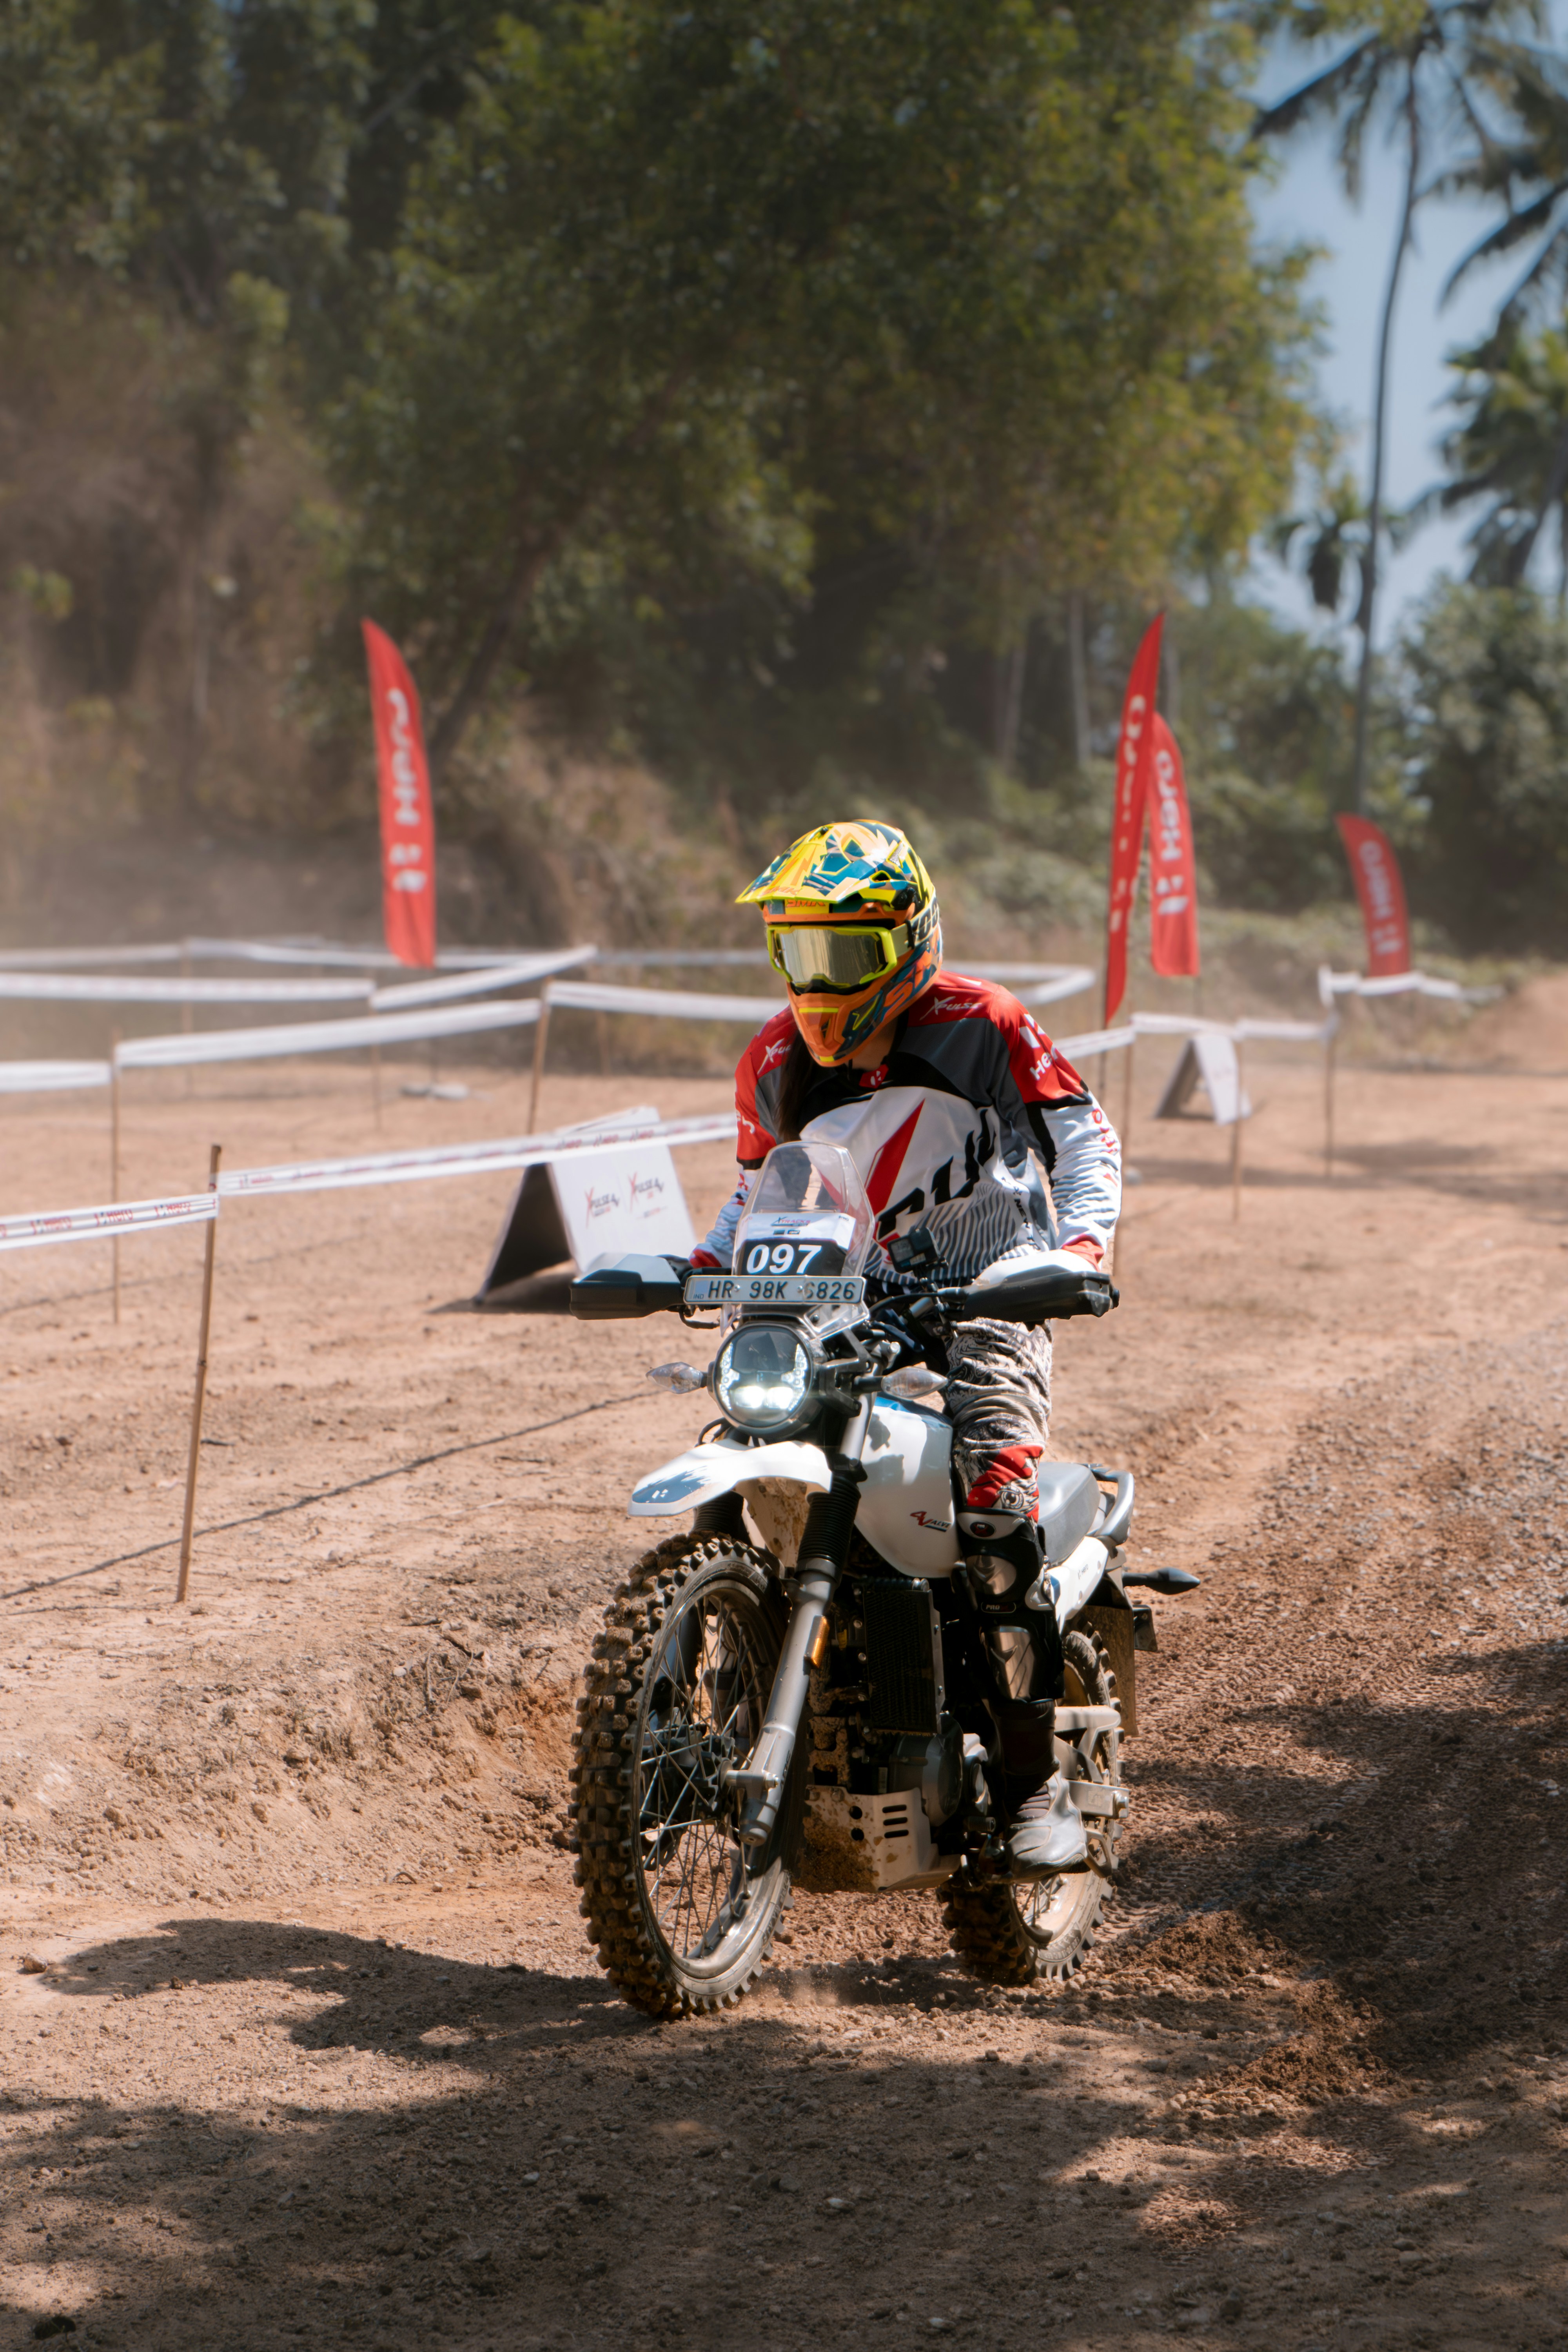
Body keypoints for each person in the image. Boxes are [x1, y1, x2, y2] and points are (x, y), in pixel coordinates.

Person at [693, 819, 1122, 1876]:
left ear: (905, 942)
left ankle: (1032, 1794)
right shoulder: (776, 1058)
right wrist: (695, 1263)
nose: (816, 979)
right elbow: (756, 1193)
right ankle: (699, 1726)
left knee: (990, 1504)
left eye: (840, 953)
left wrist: (1077, 1247)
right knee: (743, 1455)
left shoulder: (985, 1024)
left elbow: (1084, 1138)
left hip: (991, 1297)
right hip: (840, 1302)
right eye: (796, 953)